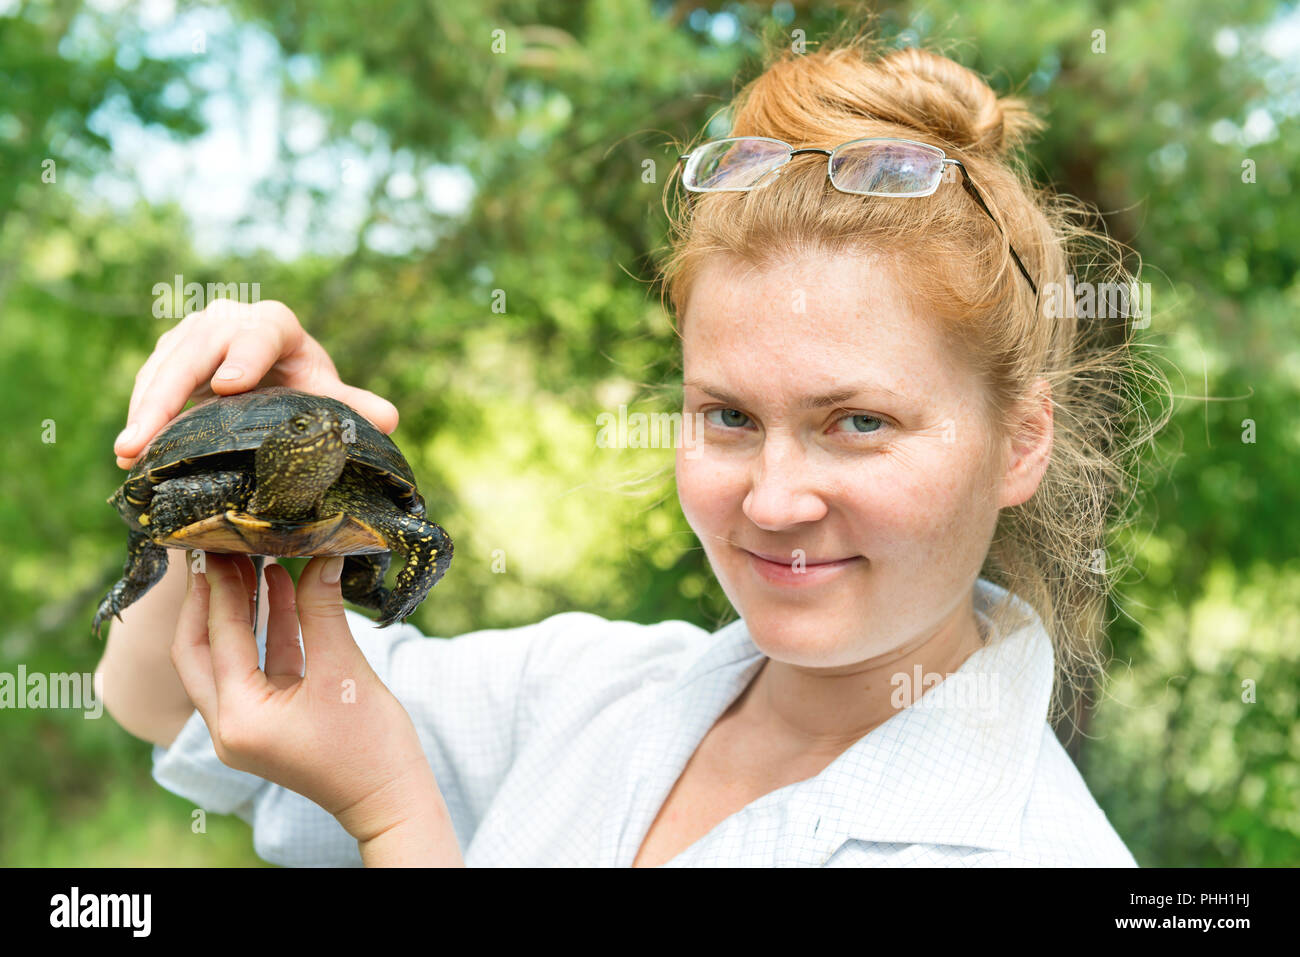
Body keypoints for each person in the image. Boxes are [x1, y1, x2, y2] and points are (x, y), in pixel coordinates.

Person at [95, 34, 1159, 867]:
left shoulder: (1025, 852)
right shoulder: (585, 695)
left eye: (858, 423)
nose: (776, 500)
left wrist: (392, 814)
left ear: (1020, 443)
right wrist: (234, 460)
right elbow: (158, 703)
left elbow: (369, 784)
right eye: (729, 417)